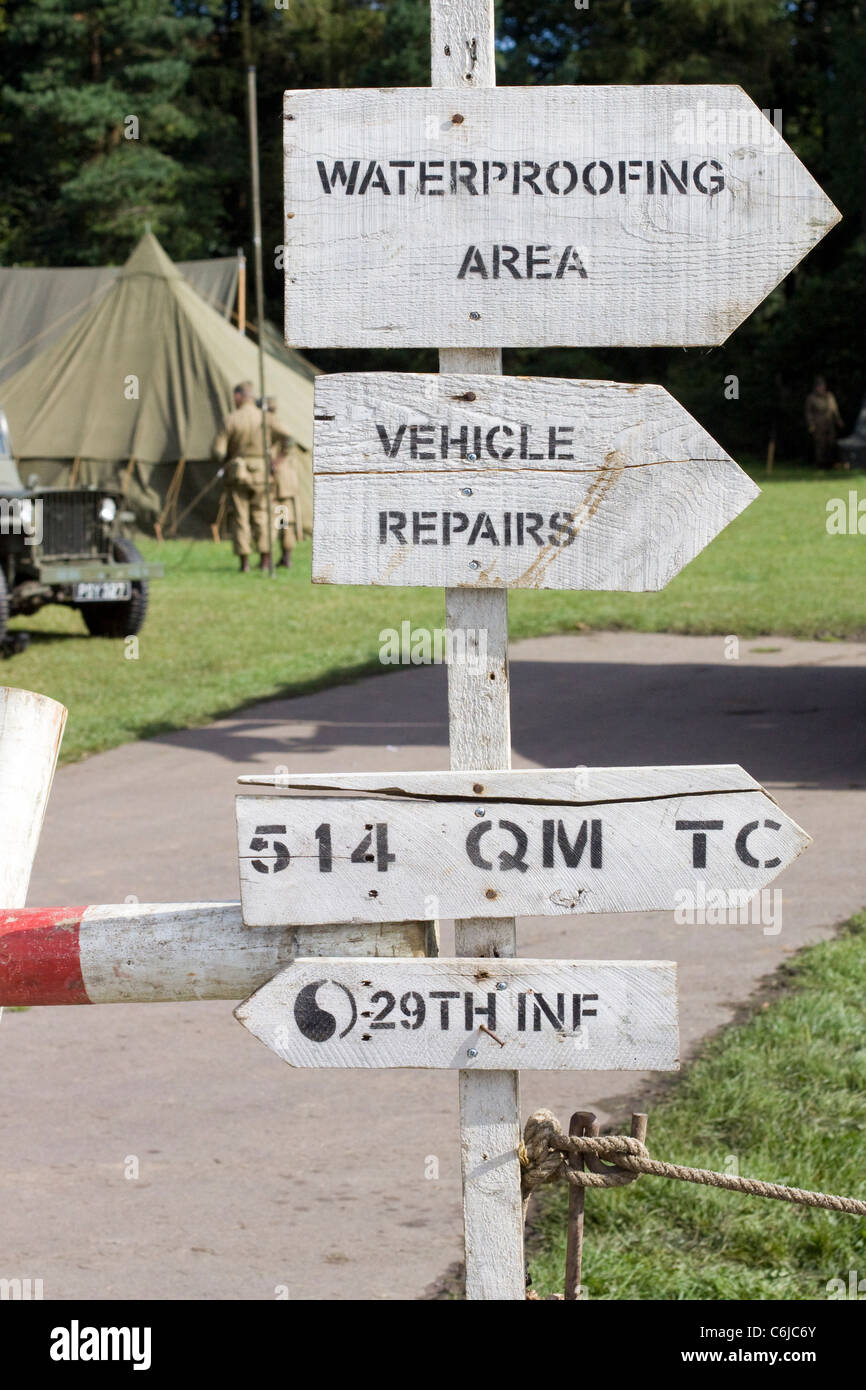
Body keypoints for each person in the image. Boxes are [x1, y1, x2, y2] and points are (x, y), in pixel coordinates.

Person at [212, 382, 291, 572]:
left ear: (239, 397)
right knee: (262, 516)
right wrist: (277, 461)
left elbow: (218, 450)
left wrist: (226, 461)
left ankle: (245, 563)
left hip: (238, 473)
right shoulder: (266, 418)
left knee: (240, 517)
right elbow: (289, 438)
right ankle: (265, 560)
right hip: (262, 472)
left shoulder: (230, 419)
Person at [266, 396, 305, 569]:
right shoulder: (277, 424)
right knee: (284, 519)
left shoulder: (272, 425)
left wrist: (277, 462)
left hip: (279, 481)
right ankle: (285, 556)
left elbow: (290, 439)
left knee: (277, 518)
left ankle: (269, 557)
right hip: (287, 481)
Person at [805, 376, 843, 469]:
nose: (822, 388)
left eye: (823, 386)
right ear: (816, 387)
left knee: (831, 443)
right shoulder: (811, 398)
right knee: (820, 445)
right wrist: (811, 424)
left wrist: (838, 420)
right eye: (819, 386)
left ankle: (830, 464)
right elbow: (808, 413)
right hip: (818, 425)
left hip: (830, 424)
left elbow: (835, 409)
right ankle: (820, 465)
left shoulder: (829, 396)